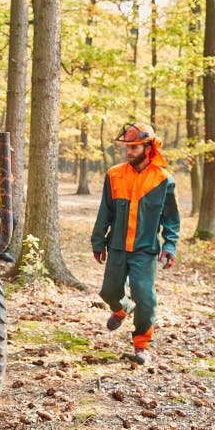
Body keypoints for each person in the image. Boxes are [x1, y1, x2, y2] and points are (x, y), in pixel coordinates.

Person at [91, 122, 180, 366]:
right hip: (117, 247)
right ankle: (121, 308)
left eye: (135, 147)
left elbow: (171, 220)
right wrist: (98, 241)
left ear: (148, 148)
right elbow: (105, 211)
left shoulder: (163, 180)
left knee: (146, 298)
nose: (129, 152)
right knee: (108, 291)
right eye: (127, 147)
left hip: (145, 251)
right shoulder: (114, 174)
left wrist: (170, 246)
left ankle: (141, 344)